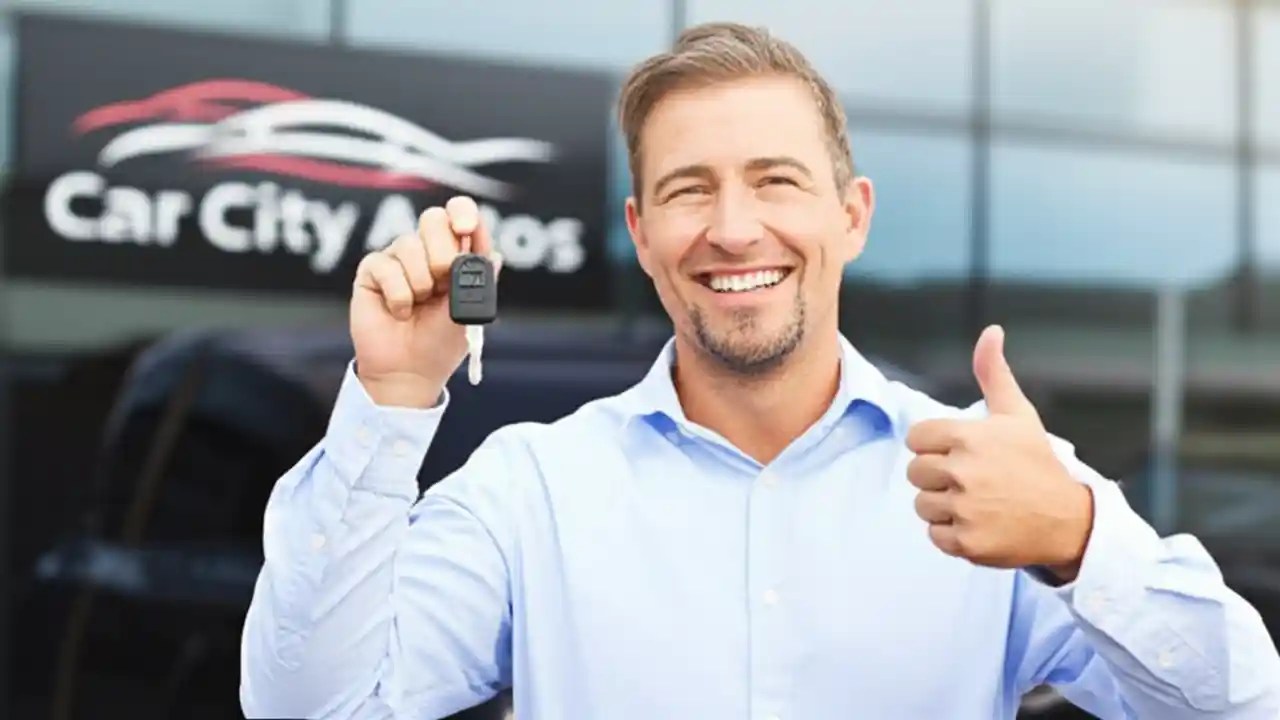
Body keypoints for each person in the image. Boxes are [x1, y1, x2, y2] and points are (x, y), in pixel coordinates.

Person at [239, 21, 1280, 720]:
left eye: (774, 180)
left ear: (851, 215)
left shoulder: (995, 479)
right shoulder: (530, 491)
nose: (733, 230)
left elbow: (1239, 703)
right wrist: (389, 401)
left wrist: (1077, 541)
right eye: (689, 191)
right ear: (642, 237)